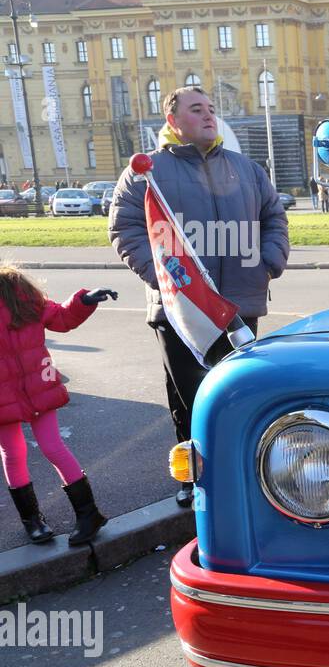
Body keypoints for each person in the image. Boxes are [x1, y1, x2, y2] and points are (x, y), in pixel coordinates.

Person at [108, 85, 289, 507]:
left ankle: (242, 474)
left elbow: (274, 217)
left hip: (238, 308)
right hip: (180, 310)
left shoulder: (245, 169)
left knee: (239, 394)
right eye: (196, 109)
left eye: (210, 109)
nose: (209, 116)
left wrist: (268, 262)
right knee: (190, 400)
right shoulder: (146, 171)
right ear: (173, 122)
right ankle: (194, 481)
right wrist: (164, 278)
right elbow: (126, 229)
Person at [0, 267, 117, 545]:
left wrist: (84, 300)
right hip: (3, 393)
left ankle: (89, 515)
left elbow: (60, 317)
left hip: (38, 386)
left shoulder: (16, 289)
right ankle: (33, 522)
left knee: (53, 447)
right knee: (13, 454)